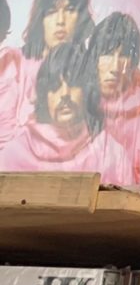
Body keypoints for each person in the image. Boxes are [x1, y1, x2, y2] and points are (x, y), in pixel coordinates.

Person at [0, 42, 132, 186]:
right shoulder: (15, 153)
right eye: (55, 86)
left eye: (73, 84)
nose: (64, 94)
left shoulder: (110, 154)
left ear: (87, 90)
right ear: (44, 95)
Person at [0, 0, 94, 148]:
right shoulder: (15, 64)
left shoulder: (92, 67)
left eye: (70, 10)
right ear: (40, 19)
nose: (60, 21)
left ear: (81, 18)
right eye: (51, 12)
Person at [88, 12, 140, 186]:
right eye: (108, 53)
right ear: (94, 57)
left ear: (133, 62)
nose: (115, 67)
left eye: (124, 55)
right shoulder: (76, 98)